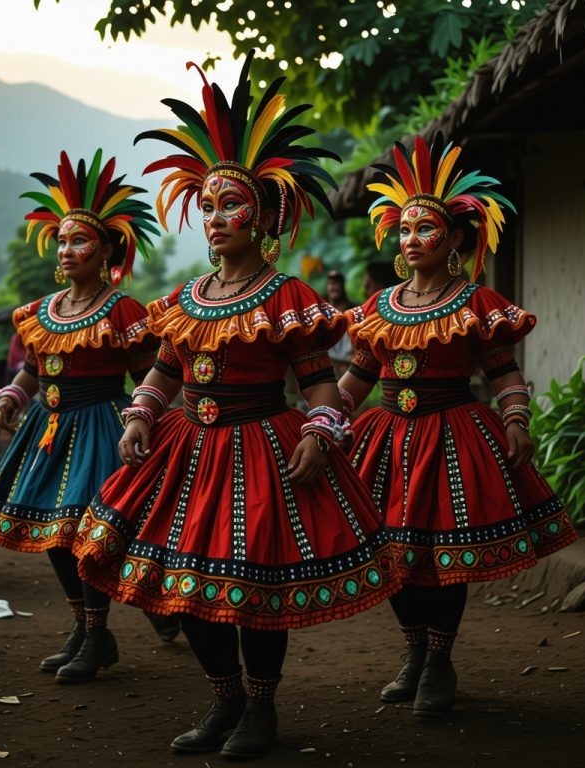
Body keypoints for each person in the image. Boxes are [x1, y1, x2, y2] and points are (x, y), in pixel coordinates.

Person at [73, 53, 401, 760]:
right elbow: (163, 369)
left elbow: (317, 378)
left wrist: (323, 426)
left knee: (252, 586)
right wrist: (138, 414)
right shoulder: (186, 299)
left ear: (266, 214)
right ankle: (222, 698)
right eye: (208, 204)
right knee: (186, 586)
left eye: (231, 204)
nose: (216, 217)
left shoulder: (288, 297)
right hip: (185, 448)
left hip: (262, 447)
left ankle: (260, 709)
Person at [338, 134, 576, 718]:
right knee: (390, 554)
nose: (411, 239)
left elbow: (504, 373)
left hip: (453, 435)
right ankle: (415, 652)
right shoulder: (378, 309)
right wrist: (323, 423)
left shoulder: (475, 303)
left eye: (425, 229)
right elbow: (356, 380)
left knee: (445, 557)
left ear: (457, 239)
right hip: (388, 437)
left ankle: (439, 662)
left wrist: (516, 419)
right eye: (404, 230)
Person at [0, 150, 177, 683]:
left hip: (101, 428)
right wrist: (13, 398)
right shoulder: (42, 311)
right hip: (49, 429)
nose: (66, 250)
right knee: (51, 534)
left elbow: (148, 374)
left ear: (107, 248)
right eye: (61, 240)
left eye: (79, 240)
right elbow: (33, 372)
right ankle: (87, 628)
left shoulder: (122, 310)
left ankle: (101, 630)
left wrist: (154, 426)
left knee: (86, 533)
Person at [324, 270, 354, 378]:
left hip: (348, 364)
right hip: (329, 364)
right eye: (330, 283)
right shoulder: (321, 312)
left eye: (336, 283)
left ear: (342, 286)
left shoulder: (352, 310)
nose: (333, 287)